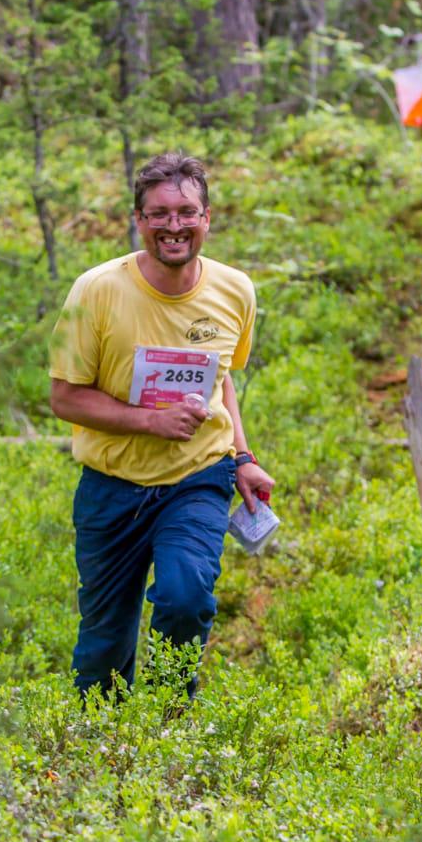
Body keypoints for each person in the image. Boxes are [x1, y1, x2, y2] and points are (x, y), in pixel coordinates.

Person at [48, 151, 275, 699]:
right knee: (103, 645)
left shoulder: (235, 290)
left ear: (207, 218)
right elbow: (64, 398)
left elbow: (222, 380)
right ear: (139, 220)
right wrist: (150, 421)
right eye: (159, 214)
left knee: (186, 596)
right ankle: (104, 749)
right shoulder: (96, 291)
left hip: (197, 478)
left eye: (186, 212)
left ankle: (171, 721)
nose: (174, 226)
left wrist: (242, 458)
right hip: (111, 484)